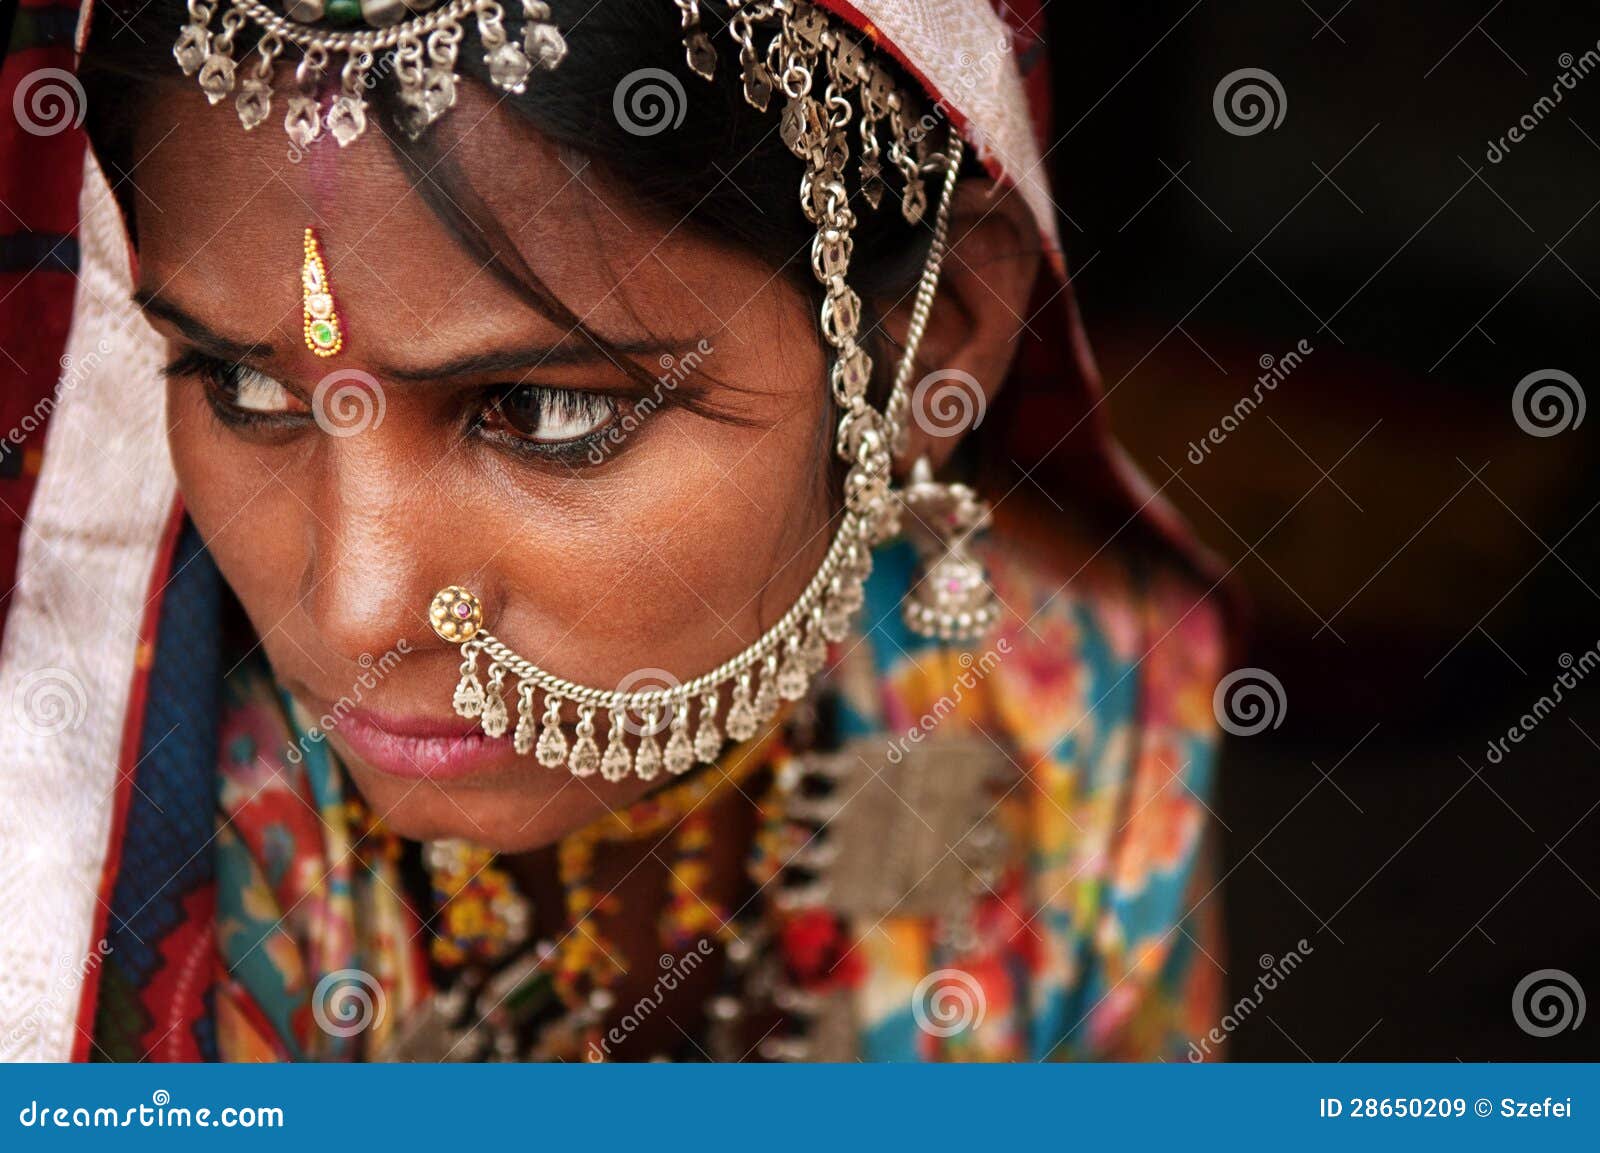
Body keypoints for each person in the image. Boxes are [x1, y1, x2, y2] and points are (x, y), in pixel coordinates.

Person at [0, 0, 1226, 1061]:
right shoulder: (104, 905)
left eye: (537, 410)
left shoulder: (1081, 705)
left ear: (929, 340)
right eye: (242, 387)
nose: (355, 610)